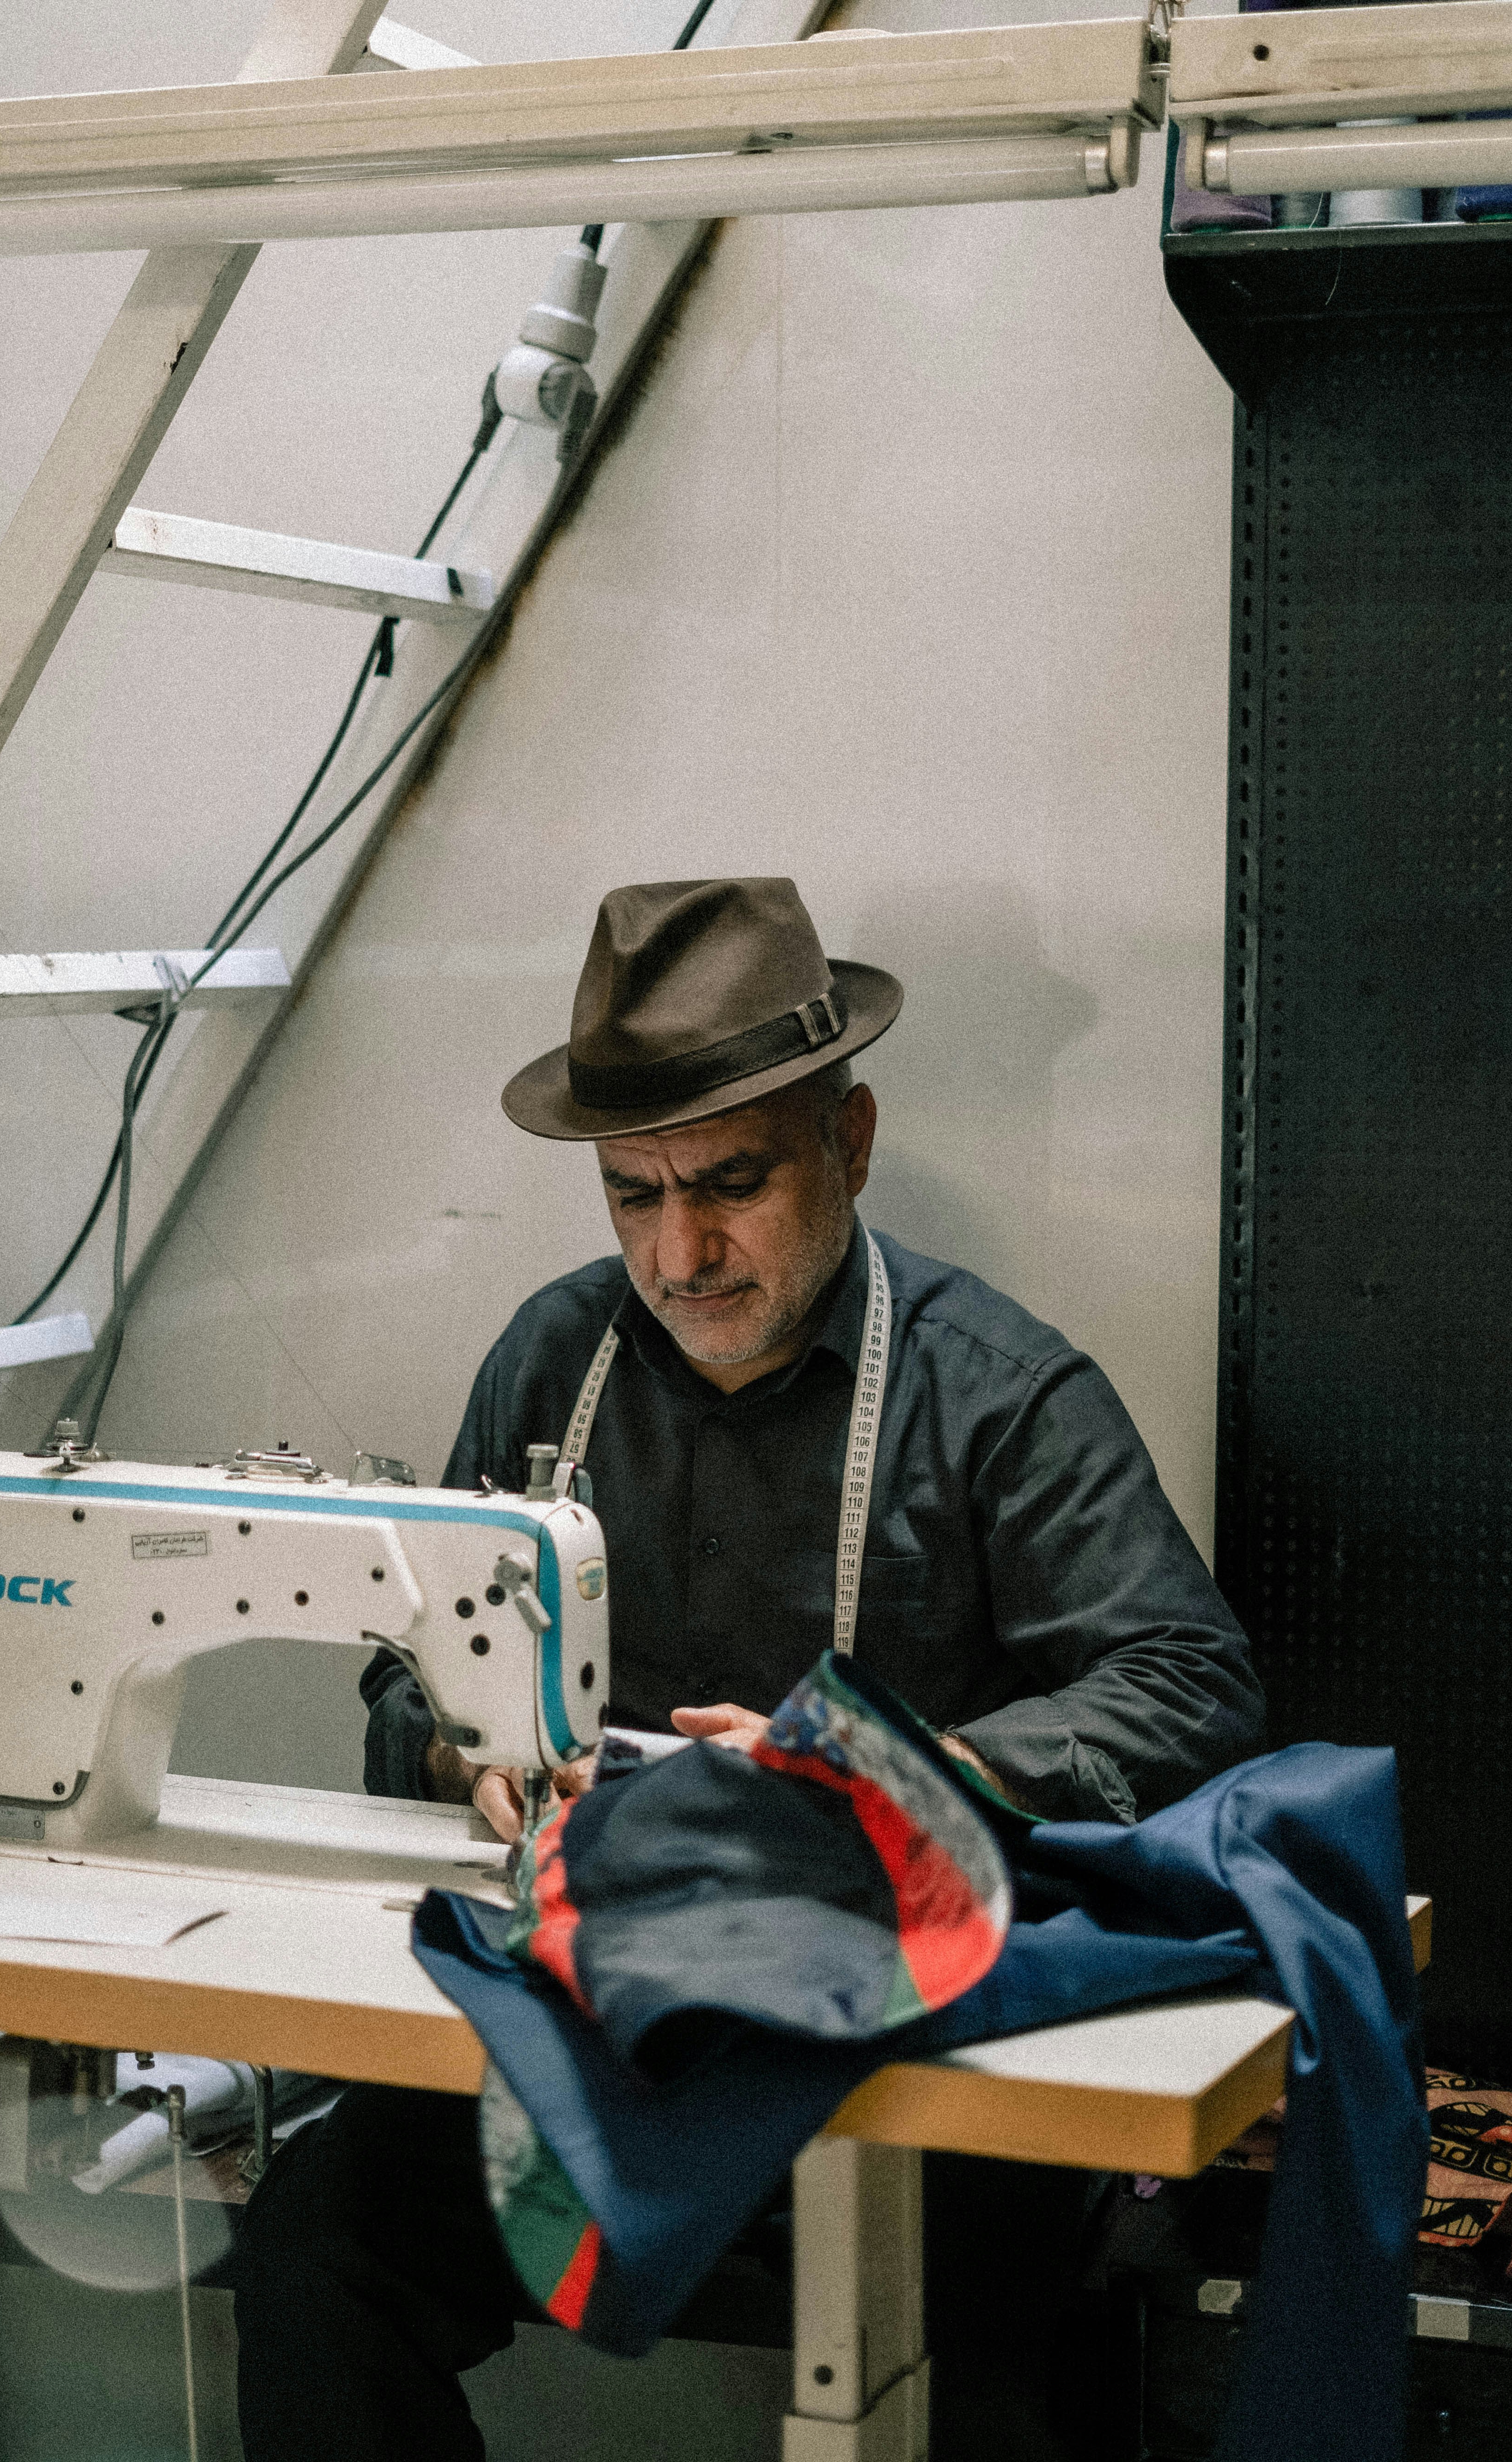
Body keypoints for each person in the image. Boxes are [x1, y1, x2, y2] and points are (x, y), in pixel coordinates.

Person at [232, 877, 1266, 2461]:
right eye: (633, 1197)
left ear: (847, 1145)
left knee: (993, 2371)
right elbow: (408, 1671)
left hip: (910, 2059)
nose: (682, 1249)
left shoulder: (996, 1399)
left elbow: (1191, 1684)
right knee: (315, 2246)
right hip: (613, 2029)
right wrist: (464, 1749)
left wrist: (886, 1768)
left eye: (729, 1184)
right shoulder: (548, 1364)